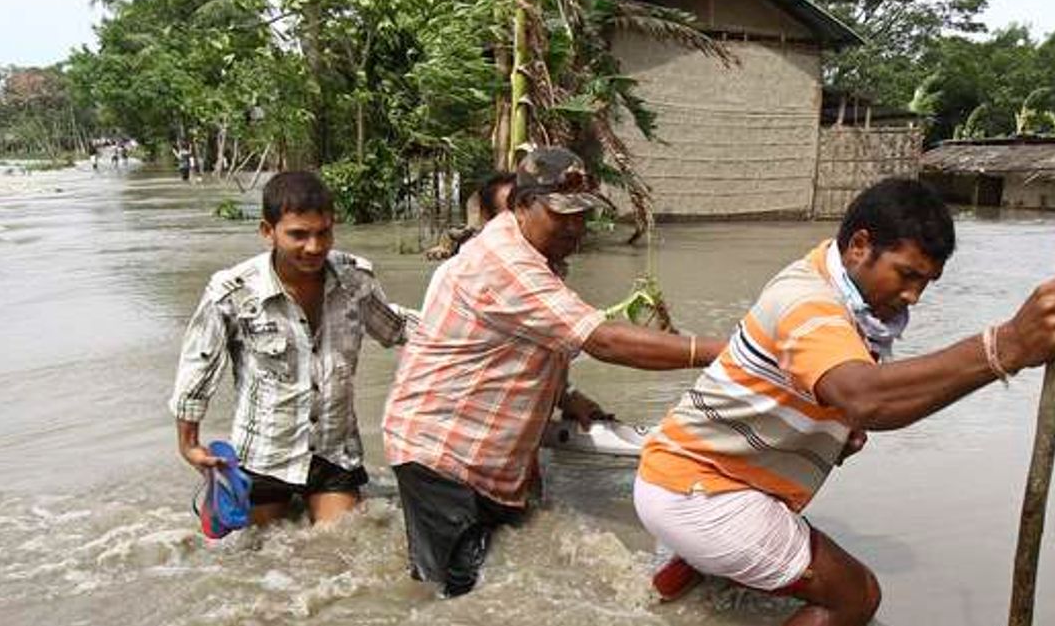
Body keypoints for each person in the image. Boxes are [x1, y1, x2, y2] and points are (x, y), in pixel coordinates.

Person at [633, 177, 1055, 626]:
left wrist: (835, 428)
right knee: (856, 597)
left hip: (678, 471)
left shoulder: (834, 286)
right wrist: (1005, 346)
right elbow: (866, 399)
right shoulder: (807, 302)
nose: (914, 296)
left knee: (775, 554)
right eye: (907, 275)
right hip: (699, 493)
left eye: (926, 283)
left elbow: (850, 395)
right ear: (859, 245)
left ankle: (677, 578)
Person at [383, 147, 725, 596]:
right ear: (523, 205)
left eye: (582, 215)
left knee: (498, 577)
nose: (575, 227)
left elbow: (525, 340)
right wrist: (728, 351)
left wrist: (566, 395)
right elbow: (602, 340)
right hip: (443, 450)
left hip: (490, 455)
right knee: (453, 596)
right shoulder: (505, 262)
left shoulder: (536, 253)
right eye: (562, 214)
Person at [170, 170, 411, 526]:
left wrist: (474, 332)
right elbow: (199, 364)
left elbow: (397, 328)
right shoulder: (234, 292)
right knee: (259, 547)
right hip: (265, 455)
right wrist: (189, 444)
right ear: (268, 231)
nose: (314, 247)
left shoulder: (354, 280)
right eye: (298, 235)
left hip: (334, 453)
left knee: (340, 541)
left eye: (323, 232)